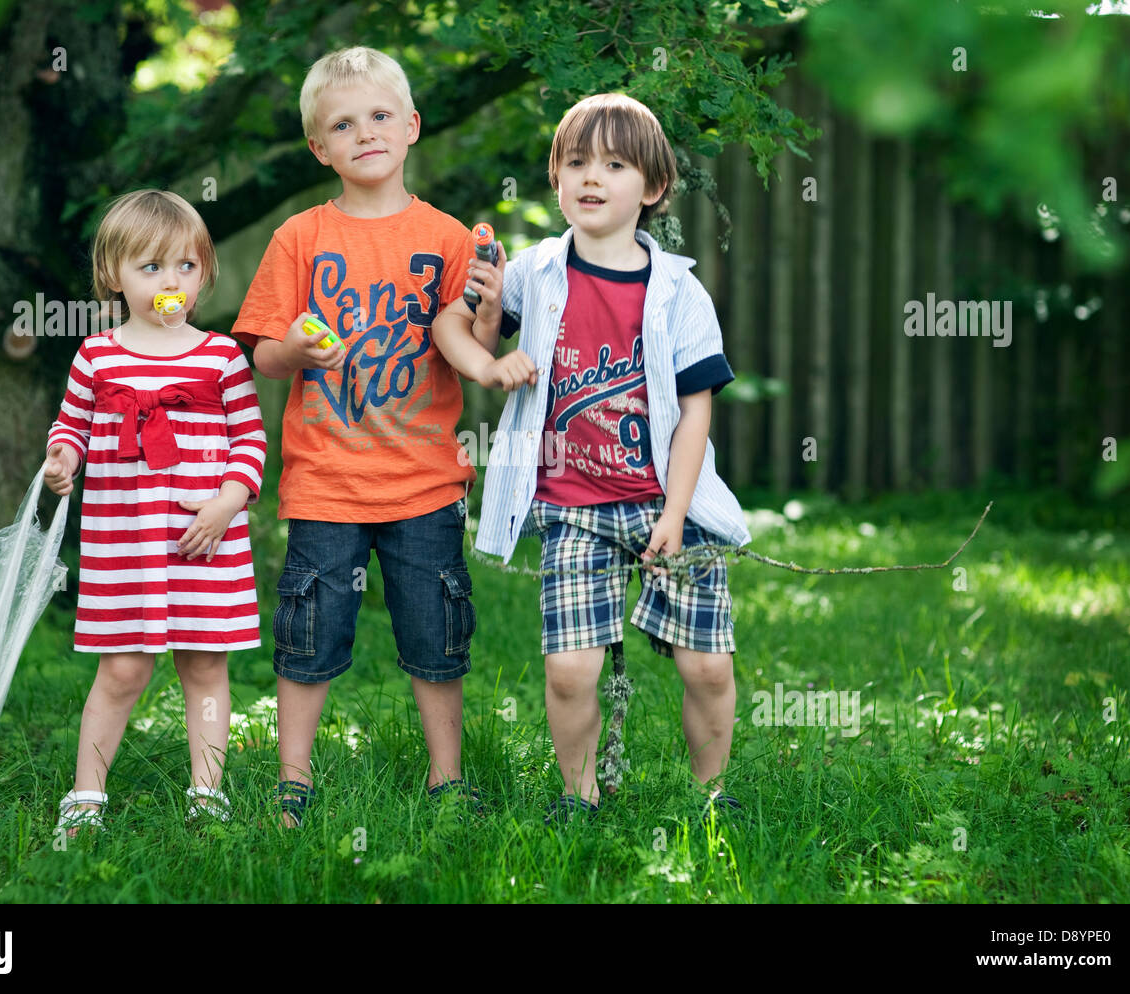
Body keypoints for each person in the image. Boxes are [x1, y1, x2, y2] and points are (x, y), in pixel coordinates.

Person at [432, 93, 754, 824]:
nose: (591, 177)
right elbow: (472, 341)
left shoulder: (679, 291)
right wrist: (487, 316)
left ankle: (712, 795)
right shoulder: (535, 273)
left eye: (613, 164)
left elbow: (697, 408)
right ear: (555, 179)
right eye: (575, 162)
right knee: (572, 670)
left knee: (706, 663)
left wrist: (673, 512)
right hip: (573, 507)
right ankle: (578, 796)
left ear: (653, 187)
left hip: (672, 506)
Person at [232, 47, 481, 828]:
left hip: (424, 482)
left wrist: (494, 309)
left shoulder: (447, 239)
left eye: (379, 116)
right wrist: (298, 351)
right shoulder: (299, 238)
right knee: (309, 637)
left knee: (437, 639)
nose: (364, 132)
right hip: (326, 483)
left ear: (410, 126)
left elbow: (468, 342)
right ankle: (292, 781)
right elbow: (263, 355)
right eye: (343, 124)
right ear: (319, 147)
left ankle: (448, 780)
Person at [44, 189, 267, 835]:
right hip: (125, 544)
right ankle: (86, 798)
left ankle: (207, 794)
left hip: (205, 540)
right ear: (115, 276)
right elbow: (72, 428)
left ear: (204, 272)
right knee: (122, 668)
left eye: (186, 267)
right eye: (151, 268)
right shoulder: (98, 355)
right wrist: (64, 459)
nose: (172, 282)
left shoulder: (222, 356)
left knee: (204, 665)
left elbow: (251, 442)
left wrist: (227, 503)